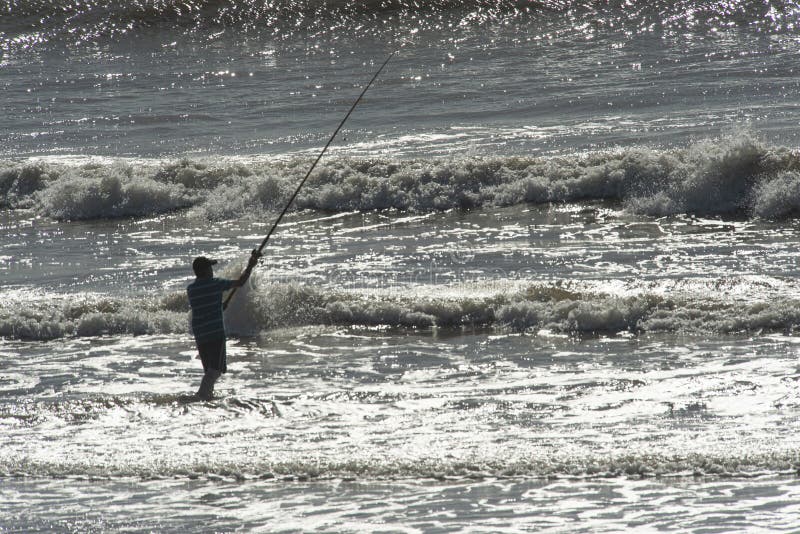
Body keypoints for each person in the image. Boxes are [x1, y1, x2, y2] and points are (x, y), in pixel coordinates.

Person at [187, 250, 262, 400]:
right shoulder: (216, 284)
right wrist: (251, 264)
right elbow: (240, 282)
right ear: (204, 271)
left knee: (209, 369)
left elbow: (205, 306)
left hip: (201, 335)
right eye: (209, 268)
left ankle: (207, 395)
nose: (212, 271)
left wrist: (221, 306)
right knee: (215, 370)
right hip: (215, 333)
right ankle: (201, 395)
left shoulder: (191, 289)